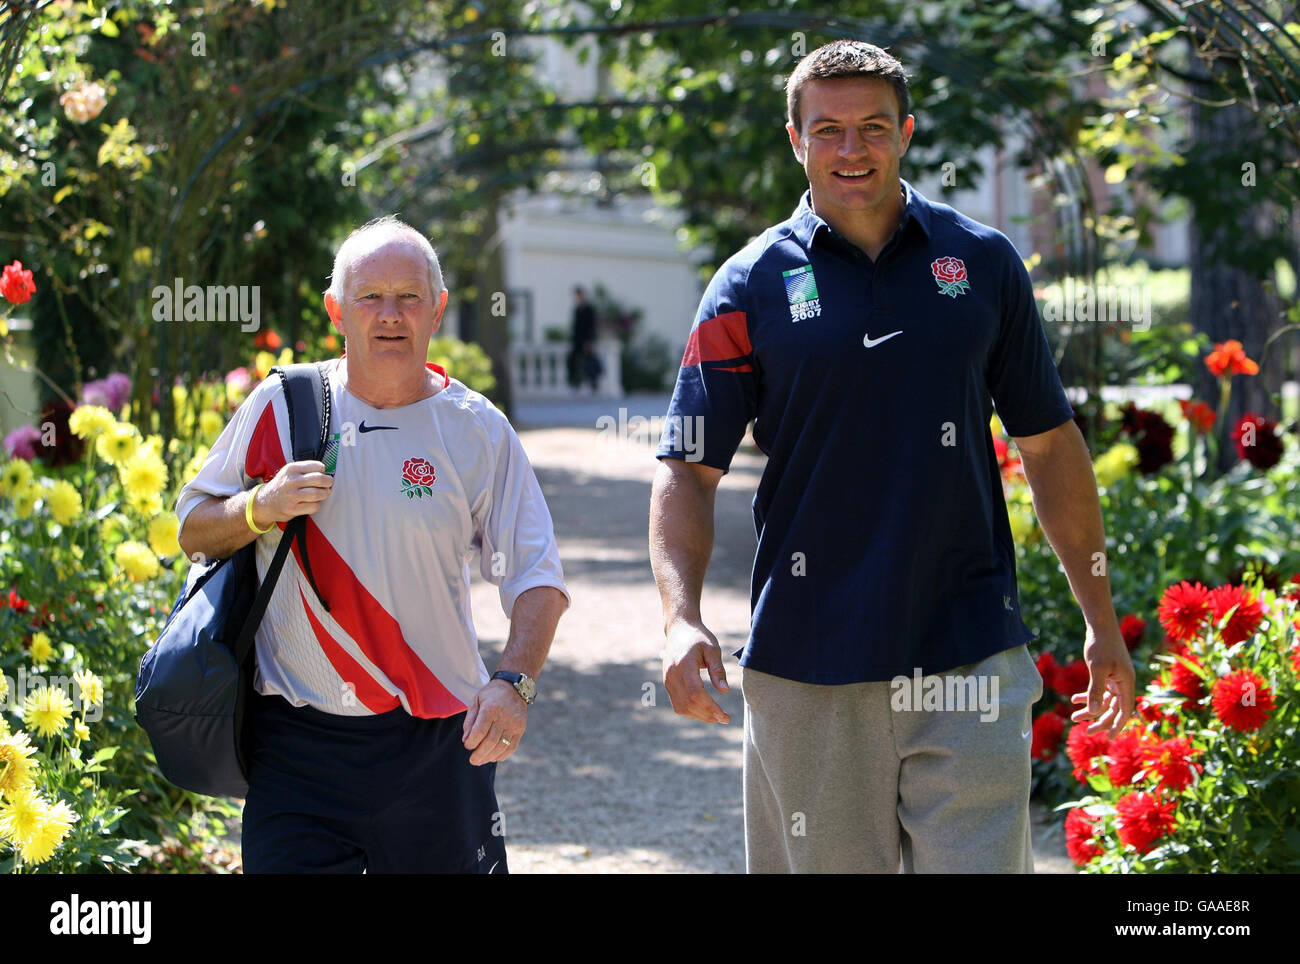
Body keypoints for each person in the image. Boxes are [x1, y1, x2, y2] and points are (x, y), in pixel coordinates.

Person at [649, 40, 1135, 873]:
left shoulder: (982, 263)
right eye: (828, 129)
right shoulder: (747, 285)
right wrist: (679, 617)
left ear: (905, 132)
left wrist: (1101, 621)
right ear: (796, 140)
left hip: (969, 652)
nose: (852, 149)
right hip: (808, 666)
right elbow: (688, 469)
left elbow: (1051, 447)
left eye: (873, 127)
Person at [177, 215, 569, 874]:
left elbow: (538, 579)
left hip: (440, 746)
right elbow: (192, 530)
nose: (391, 316)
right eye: (370, 297)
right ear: (336, 310)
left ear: (437, 309)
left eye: (410, 297)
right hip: (297, 750)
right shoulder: (284, 405)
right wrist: (258, 507)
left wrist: (514, 684)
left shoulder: (476, 429)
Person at [567, 285, 601, 392]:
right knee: (574, 361)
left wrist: (589, 340)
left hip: (587, 340)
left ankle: (593, 383)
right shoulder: (577, 309)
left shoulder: (589, 309)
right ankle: (576, 382)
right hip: (578, 340)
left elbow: (592, 326)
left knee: (590, 361)